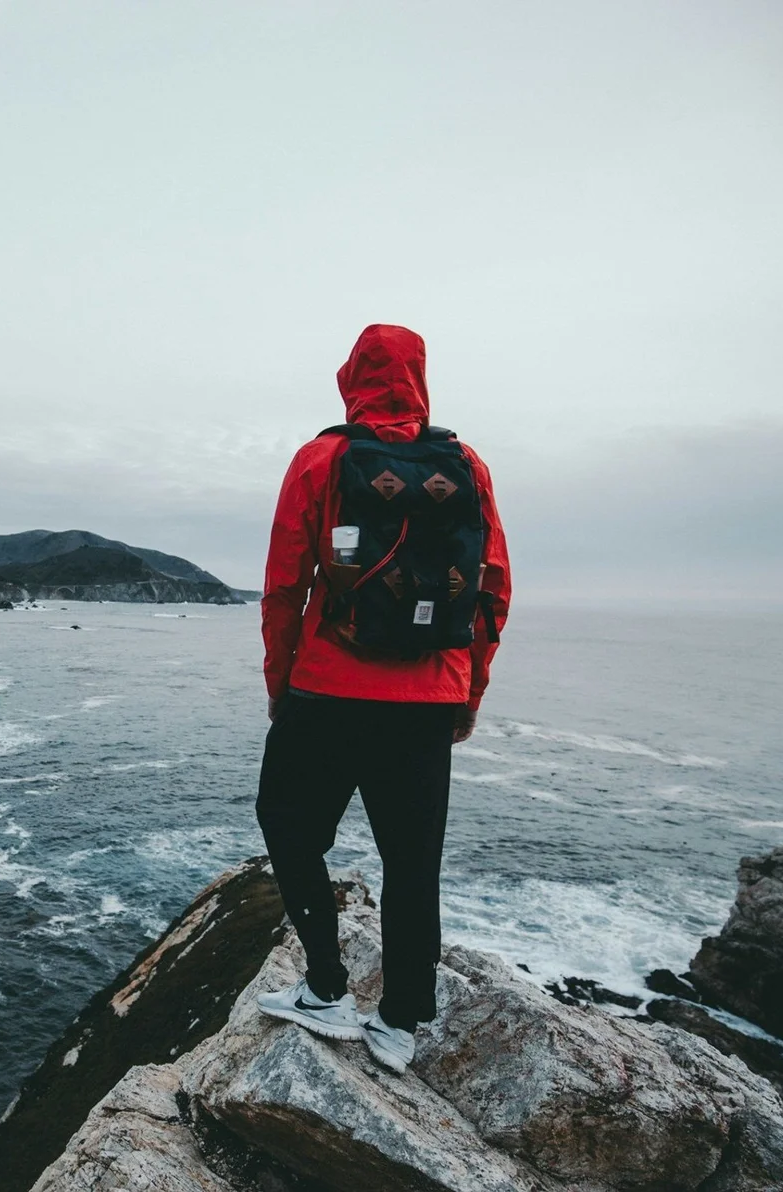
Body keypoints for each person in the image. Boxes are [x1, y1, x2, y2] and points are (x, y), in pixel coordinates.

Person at [254, 323, 511, 1074]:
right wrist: (468, 693)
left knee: (288, 822)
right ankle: (399, 1024)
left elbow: (282, 587)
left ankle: (326, 989)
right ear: (420, 377)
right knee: (412, 860)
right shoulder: (467, 465)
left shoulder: (322, 459)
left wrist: (282, 686)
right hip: (430, 696)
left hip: (329, 689)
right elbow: (493, 589)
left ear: (351, 378)